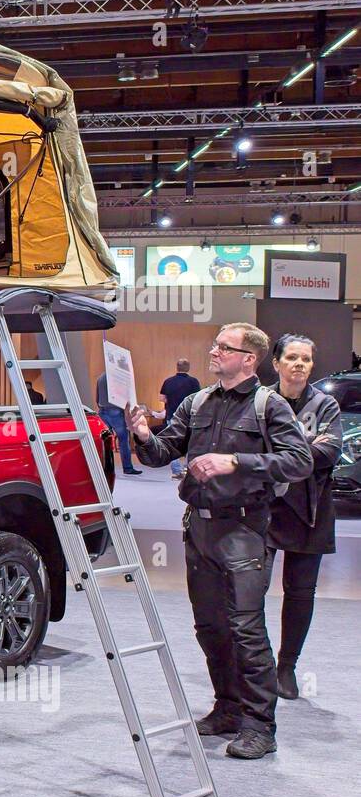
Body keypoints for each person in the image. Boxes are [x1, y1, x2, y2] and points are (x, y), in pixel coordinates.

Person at [127, 323, 311, 759]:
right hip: (200, 529)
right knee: (210, 627)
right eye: (215, 345)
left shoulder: (271, 406)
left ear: (249, 358)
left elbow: (298, 461)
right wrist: (142, 436)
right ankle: (227, 708)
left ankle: (259, 726)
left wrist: (235, 461)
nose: (214, 352)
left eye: (224, 347)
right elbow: (162, 452)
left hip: (244, 531)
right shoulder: (196, 402)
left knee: (246, 629)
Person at [265, 334, 341, 700]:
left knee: (300, 592)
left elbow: (332, 450)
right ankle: (256, 665)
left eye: (306, 359)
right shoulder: (260, 400)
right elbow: (248, 448)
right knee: (249, 589)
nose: (299, 364)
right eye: (292, 357)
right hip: (263, 507)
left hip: (311, 510)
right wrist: (303, 449)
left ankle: (286, 667)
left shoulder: (325, 404)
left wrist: (280, 453)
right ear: (276, 363)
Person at [160, 358, 201, 480]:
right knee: (190, 443)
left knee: (173, 443)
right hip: (190, 417)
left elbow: (162, 398)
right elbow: (198, 399)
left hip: (172, 416)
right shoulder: (193, 382)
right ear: (188, 368)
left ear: (177, 367)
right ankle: (189, 470)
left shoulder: (168, 381)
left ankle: (176, 472)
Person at [97, 370, 142, 475]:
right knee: (123, 441)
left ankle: (104, 469)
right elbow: (124, 397)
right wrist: (127, 412)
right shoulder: (118, 378)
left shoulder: (100, 377)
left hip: (102, 411)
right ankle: (127, 468)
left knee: (104, 442)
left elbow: (97, 396)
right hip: (116, 411)